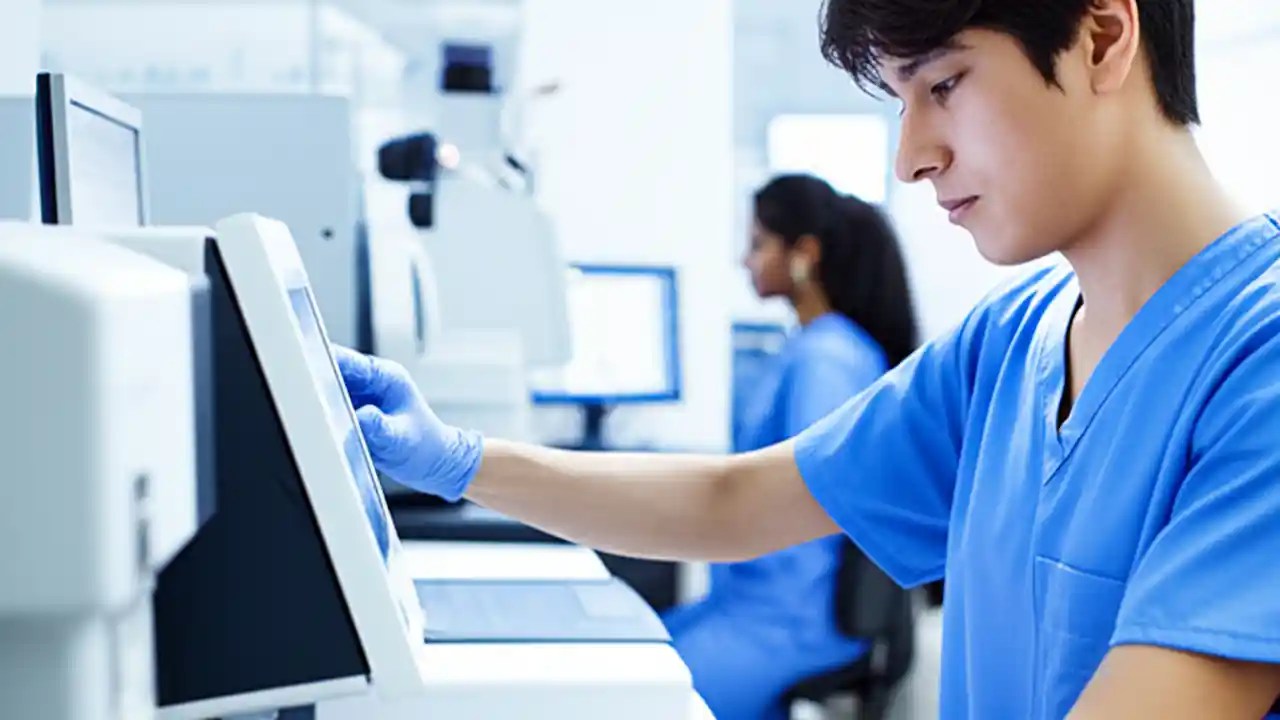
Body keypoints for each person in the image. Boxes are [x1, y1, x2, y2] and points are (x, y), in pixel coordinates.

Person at [336, 0, 1280, 717]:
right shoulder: (1012, 344)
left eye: (943, 85)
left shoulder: (1259, 361)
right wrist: (460, 458)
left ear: (1103, 38)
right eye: (901, 101)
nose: (911, 156)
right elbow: (734, 502)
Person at [658, 174, 917, 720]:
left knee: (639, 694)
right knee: (634, 654)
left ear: (804, 254)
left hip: (793, 619)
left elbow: (810, 518)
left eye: (757, 244)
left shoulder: (827, 361)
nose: (743, 261)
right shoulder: (814, 349)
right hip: (753, 604)